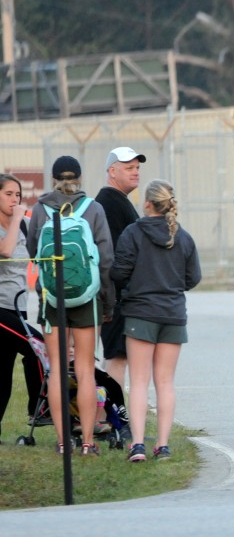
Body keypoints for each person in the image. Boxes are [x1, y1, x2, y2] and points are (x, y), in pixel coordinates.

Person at [25, 155, 115, 456]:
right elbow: (106, 258)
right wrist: (104, 298)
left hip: (51, 299)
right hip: (87, 299)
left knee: (56, 370)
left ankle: (64, 443)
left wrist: (44, 288)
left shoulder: (40, 209)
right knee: (87, 369)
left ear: (53, 179)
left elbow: (33, 251)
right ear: (79, 178)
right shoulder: (94, 209)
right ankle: (88, 442)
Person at [111, 180, 201, 462]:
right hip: (173, 315)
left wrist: (134, 285)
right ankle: (162, 445)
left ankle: (137, 444)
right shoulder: (183, 237)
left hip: (141, 313)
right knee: (165, 383)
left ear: (147, 203)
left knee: (138, 381)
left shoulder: (133, 233)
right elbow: (193, 278)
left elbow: (118, 271)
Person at [95, 146, 146, 401]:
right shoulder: (110, 203)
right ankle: (115, 422)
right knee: (116, 358)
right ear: (112, 171)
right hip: (114, 296)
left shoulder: (116, 202)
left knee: (119, 357)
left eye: (137, 168)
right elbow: (113, 259)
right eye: (129, 168)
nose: (136, 172)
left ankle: (110, 419)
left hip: (117, 296)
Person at [0, 174, 41, 441]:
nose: (15, 200)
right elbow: (5, 250)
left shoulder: (25, 225)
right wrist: (16, 220)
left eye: (18, 195)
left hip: (19, 308)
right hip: (0, 309)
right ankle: (37, 410)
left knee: (2, 371)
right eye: (8, 194)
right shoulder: (14, 225)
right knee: (39, 348)